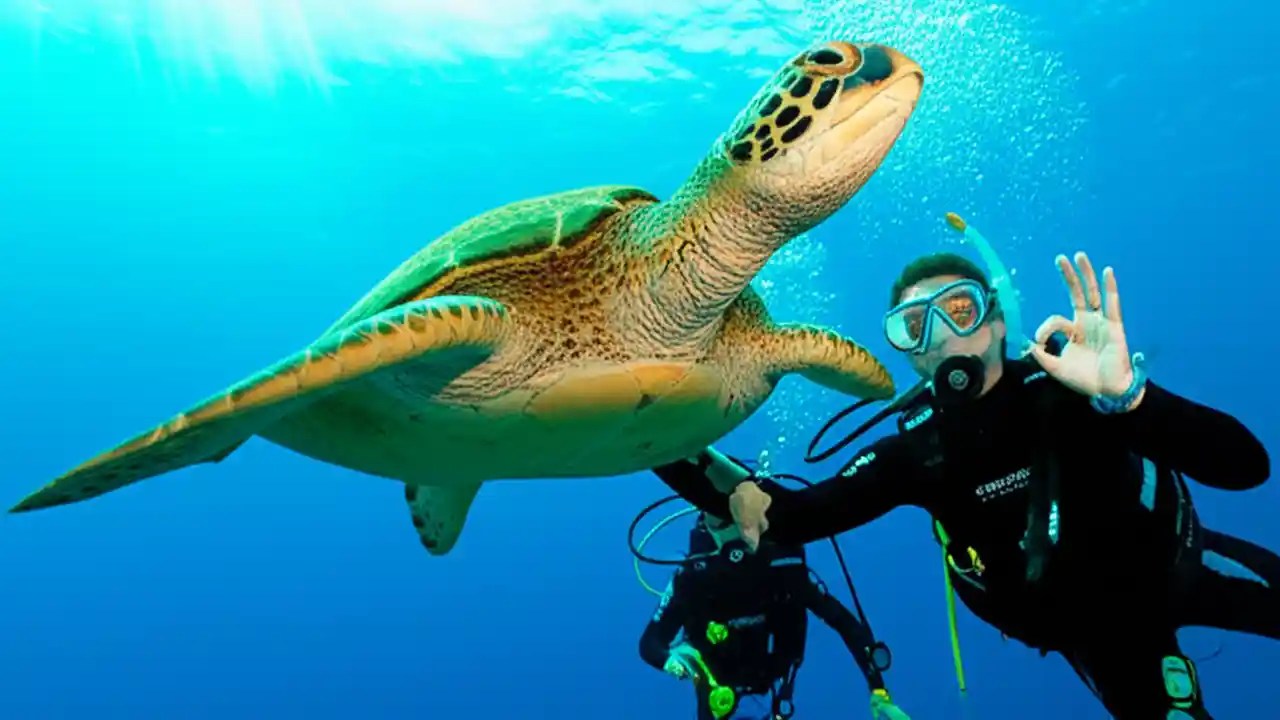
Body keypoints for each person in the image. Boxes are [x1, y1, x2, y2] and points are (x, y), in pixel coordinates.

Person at [653, 249, 1278, 719]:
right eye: (913, 326)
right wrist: (648, 433)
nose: (942, 336)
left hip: (1176, 566)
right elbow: (793, 516)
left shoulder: (1075, 390)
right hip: (1094, 630)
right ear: (906, 351)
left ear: (997, 320)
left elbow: (1246, 467)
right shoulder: (918, 452)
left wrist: (1130, 398)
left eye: (958, 309)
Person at [639, 510, 909, 719]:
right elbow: (651, 644)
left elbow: (844, 622)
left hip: (765, 679)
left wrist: (879, 692)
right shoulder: (692, 579)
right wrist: (672, 662)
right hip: (717, 686)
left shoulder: (783, 570)